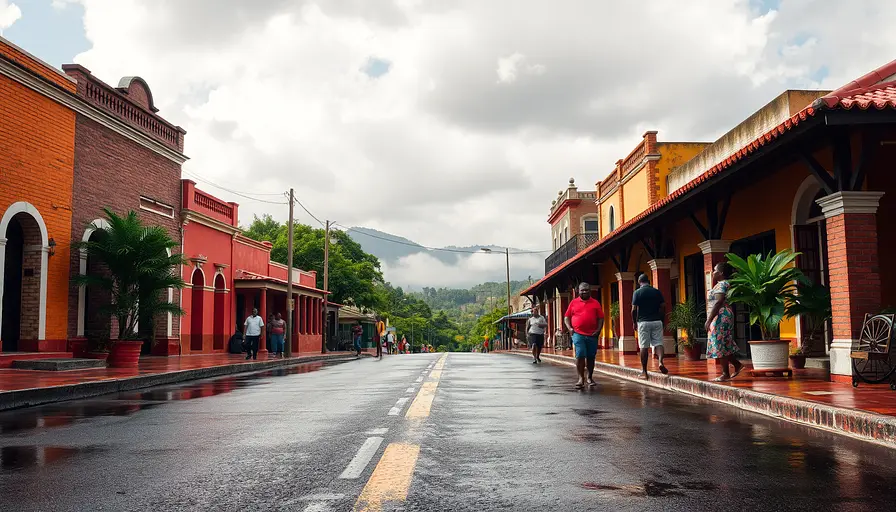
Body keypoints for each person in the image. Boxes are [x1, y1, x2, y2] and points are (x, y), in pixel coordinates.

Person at [705, 262, 745, 381]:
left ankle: (725, 373)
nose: (713, 272)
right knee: (722, 342)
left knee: (720, 342)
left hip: (721, 315)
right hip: (719, 315)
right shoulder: (718, 285)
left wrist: (709, 319)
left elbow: (718, 302)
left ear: (721, 273)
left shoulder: (723, 284)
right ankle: (736, 365)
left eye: (715, 270)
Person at [564, 282, 605, 389]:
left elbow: (601, 318)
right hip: (578, 333)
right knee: (580, 354)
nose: (585, 292)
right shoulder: (573, 303)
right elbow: (566, 317)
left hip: (592, 334)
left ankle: (590, 377)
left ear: (589, 291)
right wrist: (570, 328)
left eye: (587, 290)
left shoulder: (595, 303)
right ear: (578, 291)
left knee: (591, 357)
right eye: (582, 290)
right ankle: (580, 378)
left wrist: (598, 330)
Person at [632, 273, 668, 379]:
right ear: (649, 281)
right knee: (658, 343)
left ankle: (644, 372)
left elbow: (633, 309)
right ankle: (660, 362)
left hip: (643, 322)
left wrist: (634, 322)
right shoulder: (656, 292)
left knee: (644, 346)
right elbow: (663, 306)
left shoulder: (637, 292)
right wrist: (662, 319)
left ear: (639, 282)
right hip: (656, 321)